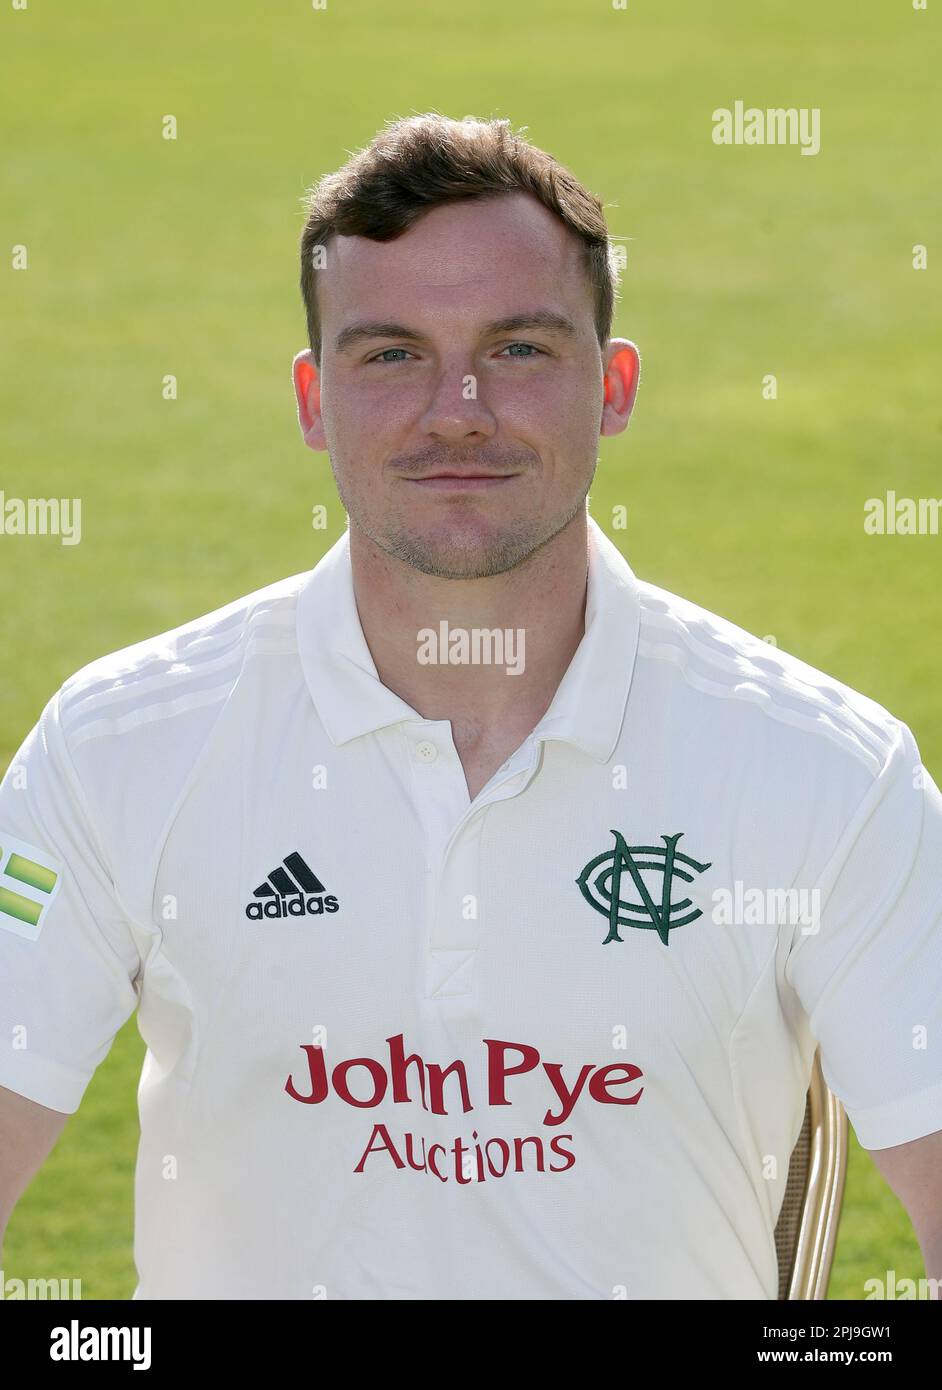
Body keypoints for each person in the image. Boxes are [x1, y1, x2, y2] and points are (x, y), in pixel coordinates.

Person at [1, 113, 940, 1301]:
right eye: (391, 353)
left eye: (518, 350)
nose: (457, 409)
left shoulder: (827, 774)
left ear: (614, 385)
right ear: (310, 398)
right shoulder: (115, 748)